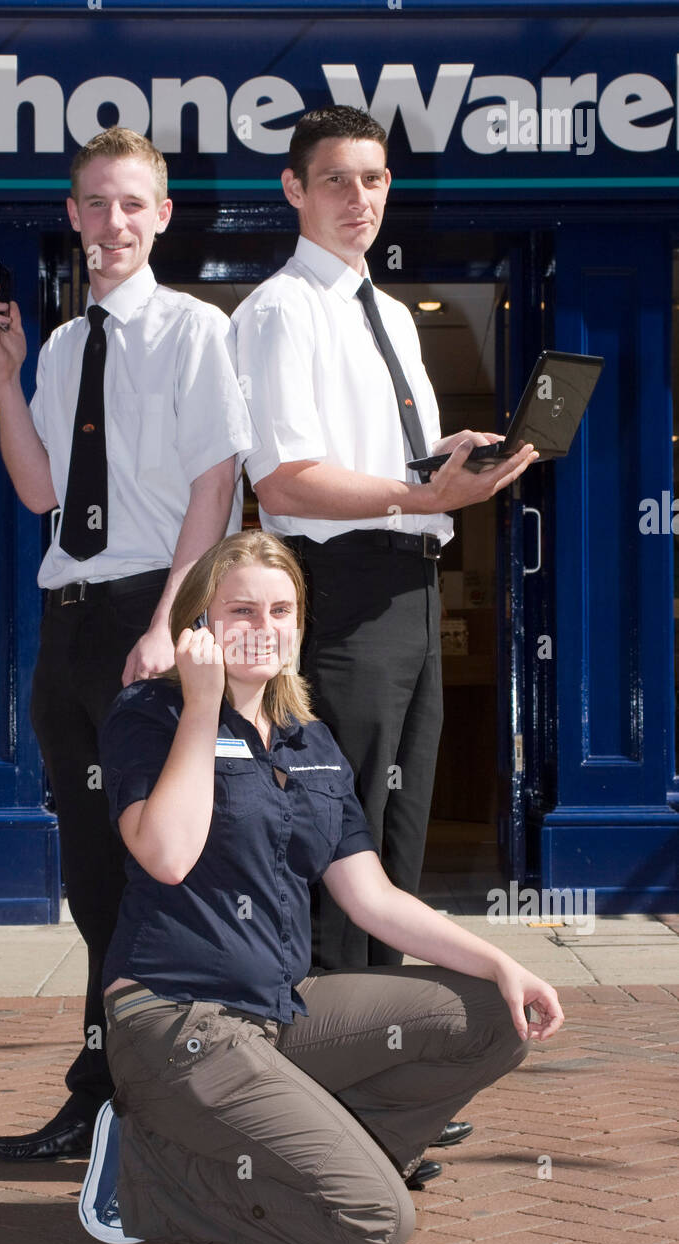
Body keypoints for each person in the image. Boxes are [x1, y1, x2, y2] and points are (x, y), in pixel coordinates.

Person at [78, 530, 563, 1244]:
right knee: (372, 1225)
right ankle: (150, 1177)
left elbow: (372, 897)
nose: (263, 628)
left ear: (300, 626)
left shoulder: (312, 742)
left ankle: (324, 1153)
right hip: (176, 1024)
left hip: (279, 1014)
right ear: (199, 622)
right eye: (240, 610)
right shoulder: (151, 714)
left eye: (281, 610)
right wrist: (205, 705)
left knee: (496, 1016)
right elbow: (168, 855)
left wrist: (502, 963)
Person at [231, 105, 540, 1174]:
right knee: (332, 856)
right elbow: (282, 480)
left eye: (372, 179)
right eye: (335, 182)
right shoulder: (276, 312)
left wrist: (450, 460)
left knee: (391, 856)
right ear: (292, 190)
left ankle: (376, 1095)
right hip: (345, 593)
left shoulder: (392, 315)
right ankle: (314, 1109)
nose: (358, 199)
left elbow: (383, 462)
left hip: (409, 587)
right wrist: (418, 491)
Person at [0, 128, 252, 1161]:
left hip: (147, 614)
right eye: (93, 204)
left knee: (158, 875)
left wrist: (167, 623)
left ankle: (155, 1095)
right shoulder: (56, 345)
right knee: (94, 884)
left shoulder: (192, 331)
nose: (111, 224)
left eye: (131, 203)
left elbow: (214, 482)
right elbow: (42, 492)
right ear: (73, 215)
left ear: (163, 214)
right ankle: (104, 1093)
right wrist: (5, 375)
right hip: (69, 626)